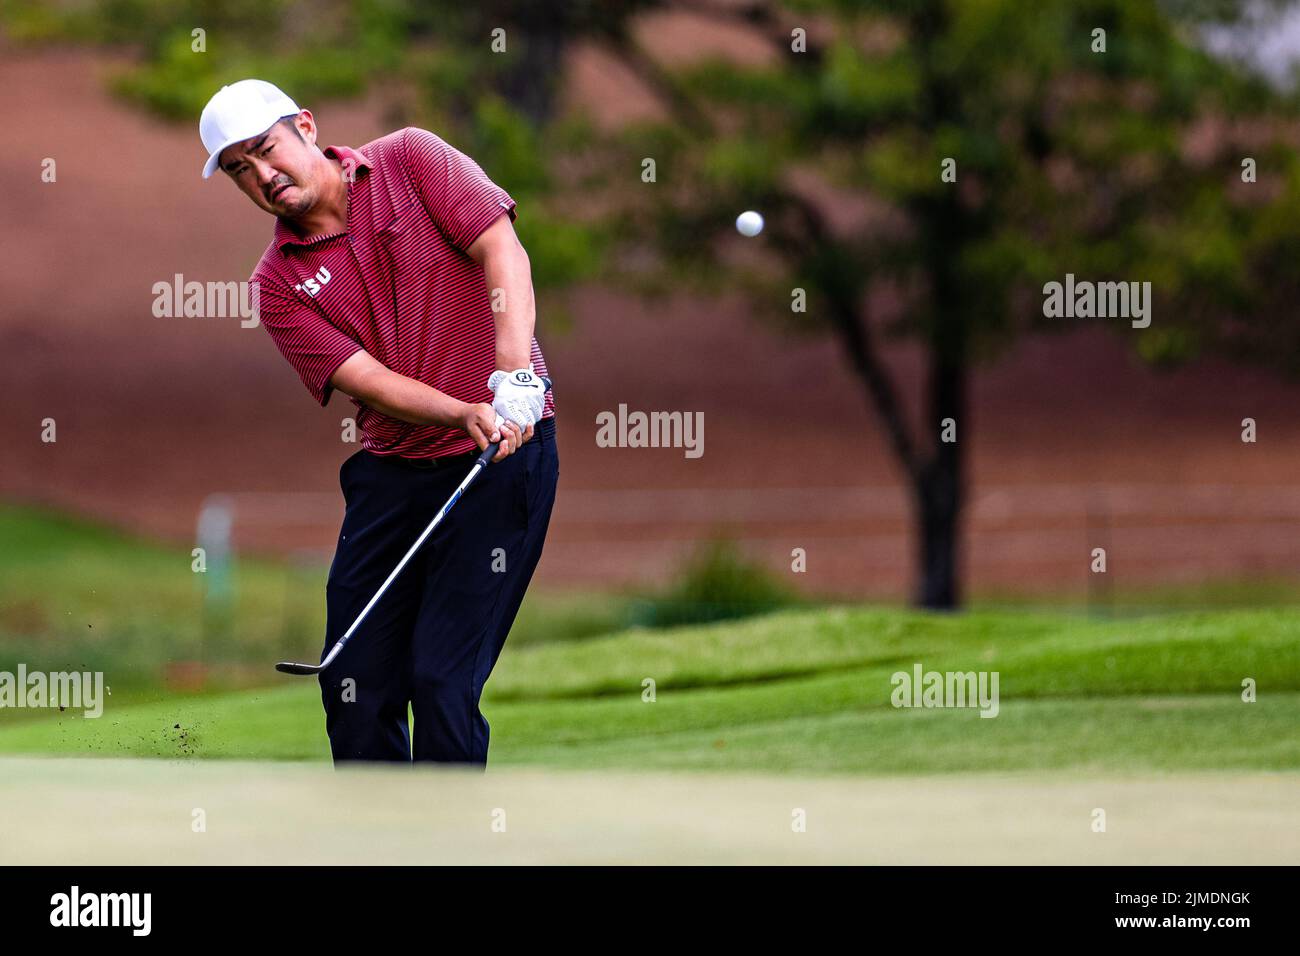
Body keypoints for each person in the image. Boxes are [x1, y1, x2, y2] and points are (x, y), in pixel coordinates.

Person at [198, 79, 558, 765]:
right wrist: (461, 410)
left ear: (305, 125)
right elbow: (368, 381)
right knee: (354, 683)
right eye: (241, 170)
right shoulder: (275, 284)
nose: (263, 176)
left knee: (442, 681)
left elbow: (502, 252)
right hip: (393, 476)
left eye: (266, 151)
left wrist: (514, 377)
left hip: (504, 462)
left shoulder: (414, 160)